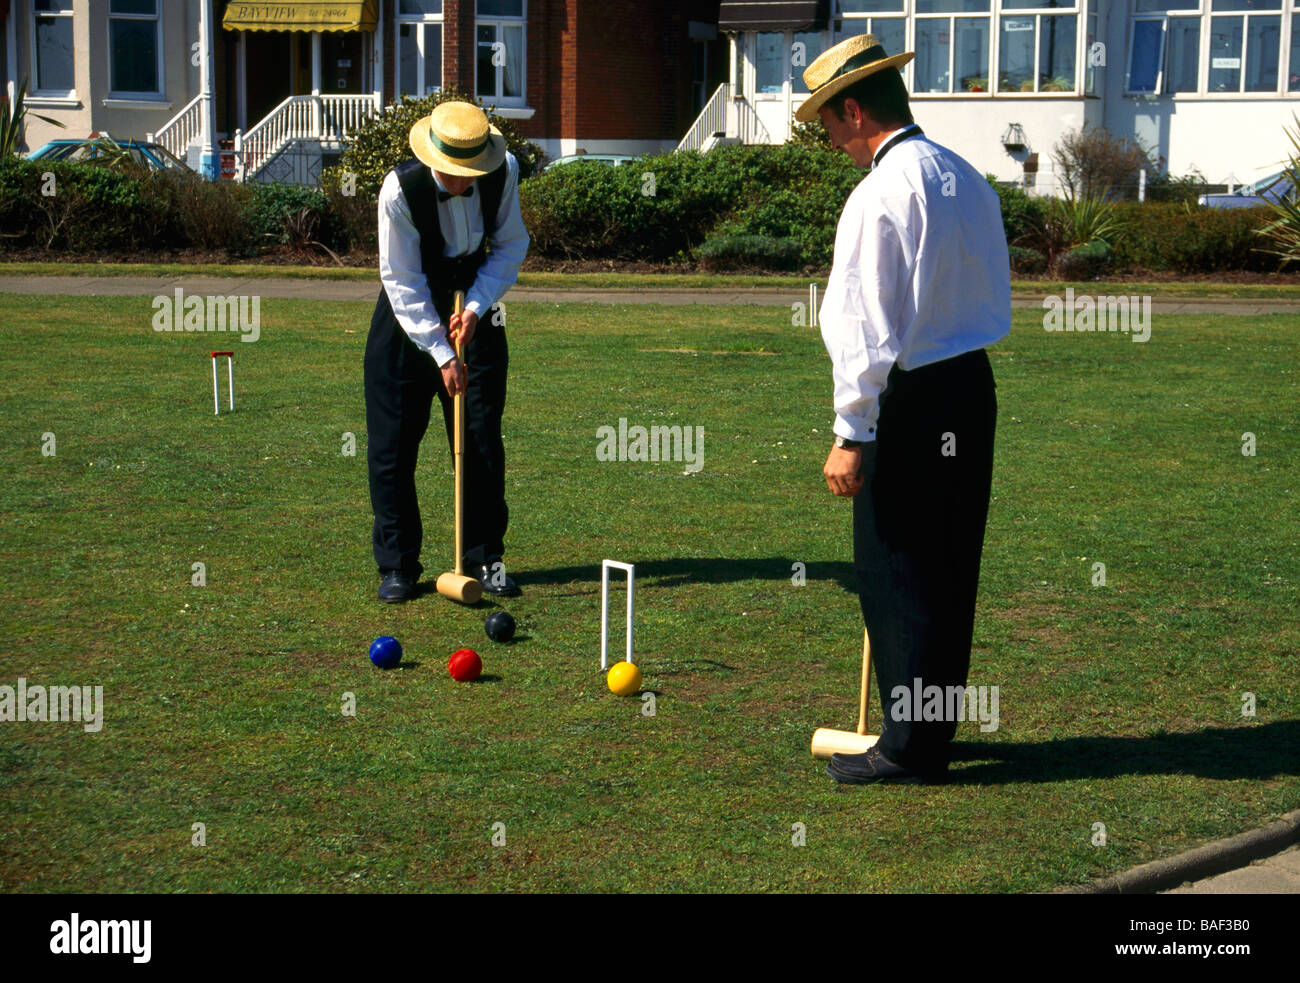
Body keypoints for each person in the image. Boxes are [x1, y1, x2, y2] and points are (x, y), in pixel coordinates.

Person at [797, 35, 1010, 783]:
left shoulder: (881, 193)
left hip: (912, 399)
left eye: (829, 125)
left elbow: (863, 325)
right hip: (968, 390)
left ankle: (908, 748)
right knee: (949, 561)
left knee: (896, 565)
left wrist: (851, 431)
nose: (832, 142)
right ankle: (929, 728)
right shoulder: (965, 177)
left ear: (853, 111)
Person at [365, 101, 529, 603]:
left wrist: (477, 308)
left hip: (475, 305)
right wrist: (441, 352)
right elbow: (402, 278)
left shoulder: (503, 172)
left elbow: (509, 245)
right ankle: (397, 565)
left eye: (470, 174)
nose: (462, 182)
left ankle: (485, 557)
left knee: (480, 437)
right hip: (408, 317)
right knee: (393, 447)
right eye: (453, 174)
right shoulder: (399, 189)